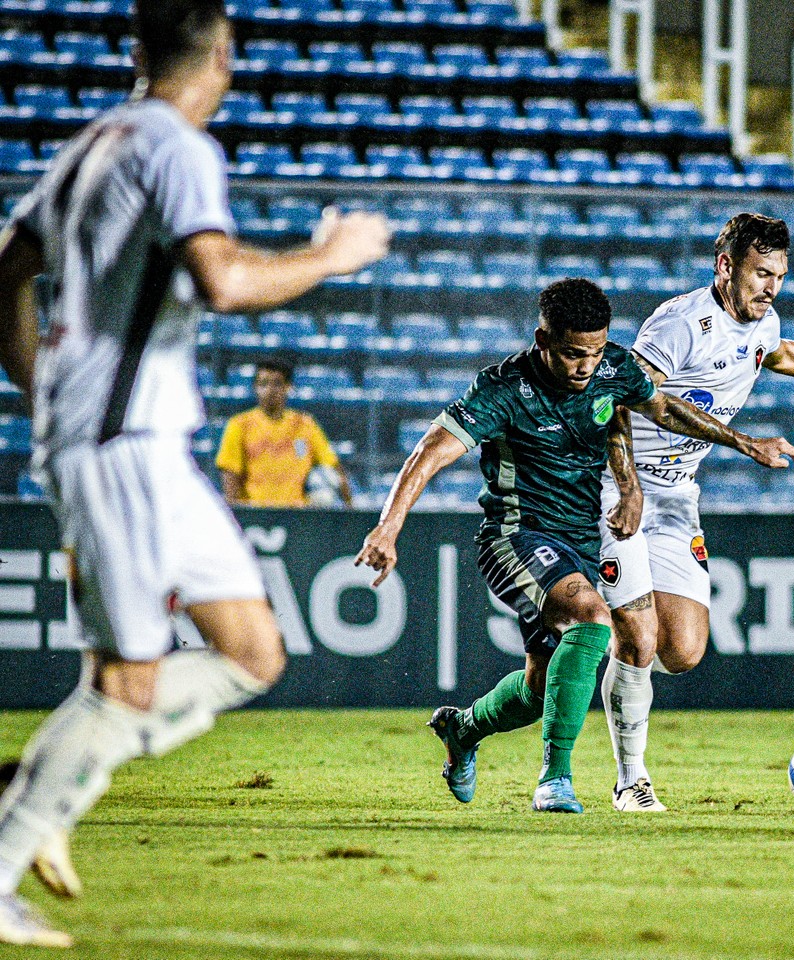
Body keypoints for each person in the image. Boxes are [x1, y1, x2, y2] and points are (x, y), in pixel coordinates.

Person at [0, 0, 390, 945]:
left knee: (254, 654)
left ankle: (50, 782)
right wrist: (332, 255)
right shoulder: (177, 146)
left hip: (138, 443)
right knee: (127, 683)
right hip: (121, 445)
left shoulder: (92, 142)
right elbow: (223, 279)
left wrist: (44, 389)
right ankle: (21, 829)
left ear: (136, 50)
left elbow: (5, 268)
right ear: (223, 52)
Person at [355, 277, 794, 814]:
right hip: (516, 536)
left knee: (541, 691)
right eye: (572, 354)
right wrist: (388, 526)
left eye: (594, 351)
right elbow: (430, 452)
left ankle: (464, 729)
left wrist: (743, 442)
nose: (586, 366)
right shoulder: (503, 390)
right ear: (542, 340)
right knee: (593, 621)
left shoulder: (612, 367)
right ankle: (555, 779)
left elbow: (664, 408)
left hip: (581, 540)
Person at [598, 213, 794, 812]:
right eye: (761, 273)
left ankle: (592, 645)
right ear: (725, 266)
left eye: (780, 276)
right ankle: (629, 780)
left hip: (680, 496)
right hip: (618, 489)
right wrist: (739, 445)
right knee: (640, 637)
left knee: (681, 651)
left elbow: (777, 352)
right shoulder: (680, 324)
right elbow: (624, 399)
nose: (771, 287)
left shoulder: (763, 321)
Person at [215, 357, 354, 507]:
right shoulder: (240, 425)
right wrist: (238, 513)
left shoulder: (305, 424)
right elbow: (230, 474)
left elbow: (333, 468)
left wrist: (349, 506)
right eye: (263, 384)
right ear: (255, 387)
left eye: (277, 384)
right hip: (257, 513)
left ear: (288, 387)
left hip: (297, 514)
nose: (270, 390)